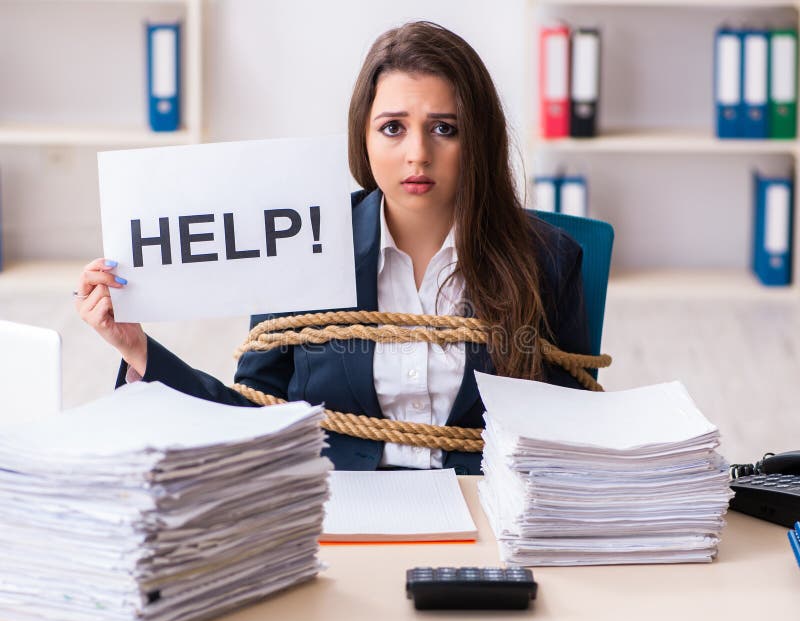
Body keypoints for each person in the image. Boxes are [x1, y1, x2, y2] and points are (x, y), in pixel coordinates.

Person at [75, 21, 590, 475]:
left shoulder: (547, 260)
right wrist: (136, 348)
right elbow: (256, 417)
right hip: (337, 515)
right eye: (393, 128)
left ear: (478, 137)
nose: (418, 154)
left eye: (444, 129)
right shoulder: (300, 241)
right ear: (362, 138)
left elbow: (571, 436)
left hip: (490, 519)